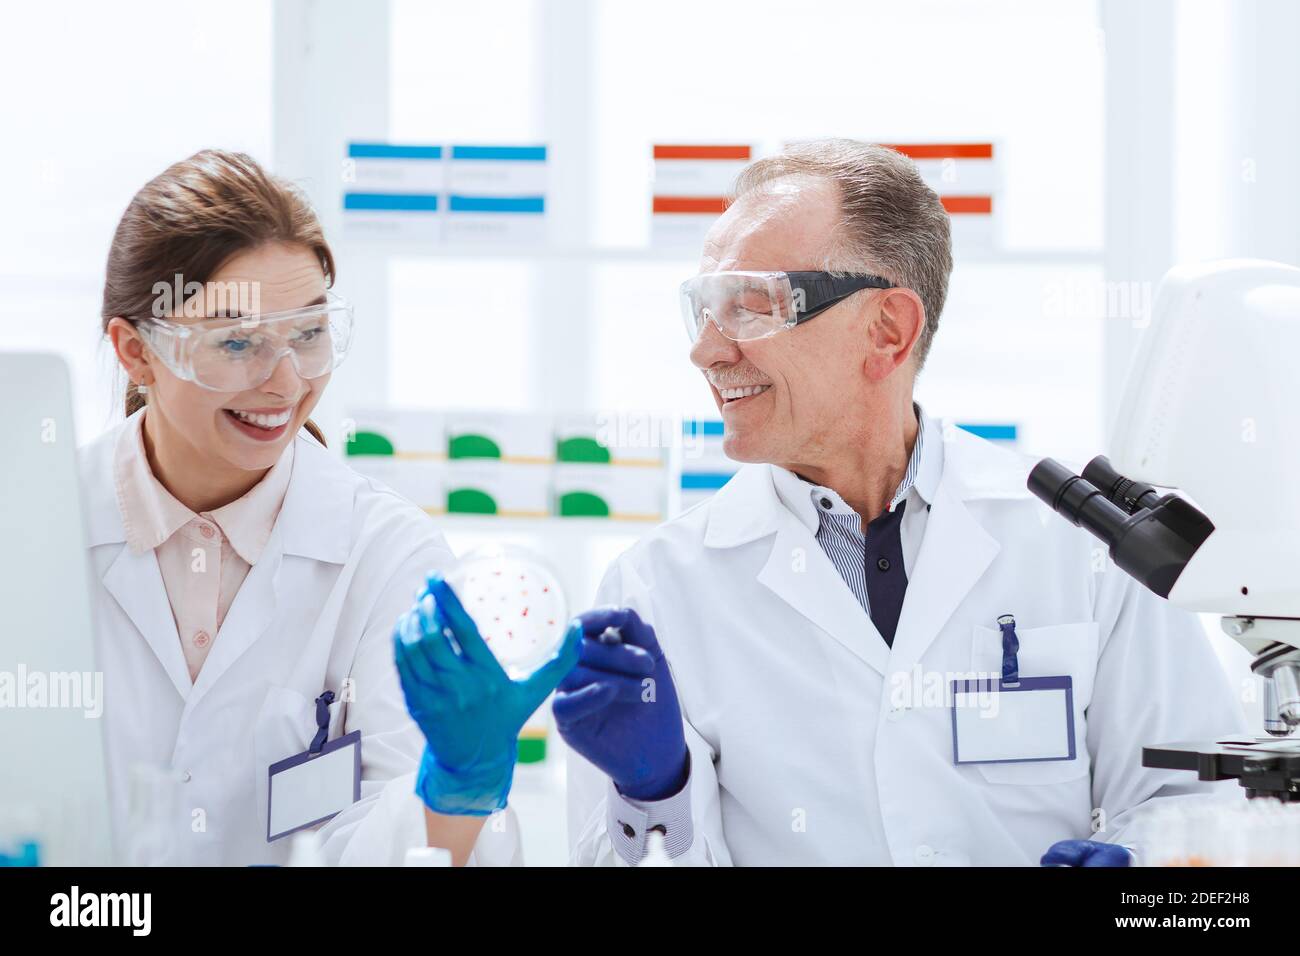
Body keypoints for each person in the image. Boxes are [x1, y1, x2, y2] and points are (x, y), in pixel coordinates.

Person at [554, 139, 1247, 866]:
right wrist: (654, 794)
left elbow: (1195, 807)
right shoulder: (659, 588)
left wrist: (1141, 874)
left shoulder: (1076, 542)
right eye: (702, 309)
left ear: (888, 330)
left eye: (749, 307)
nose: (707, 351)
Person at [86, 149, 571, 865]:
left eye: (309, 333)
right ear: (136, 353)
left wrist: (458, 784)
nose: (285, 380)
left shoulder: (386, 555)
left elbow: (406, 845)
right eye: (237, 340)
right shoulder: (33, 530)